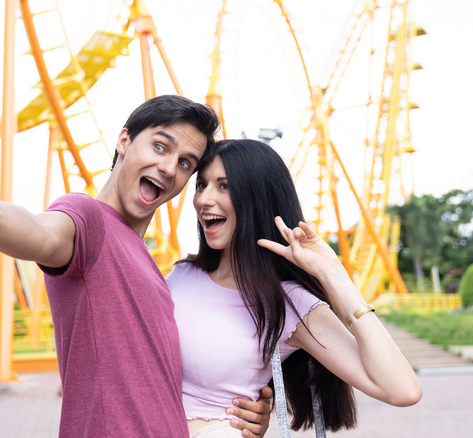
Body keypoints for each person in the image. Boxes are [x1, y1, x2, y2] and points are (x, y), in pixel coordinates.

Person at [0, 95, 271, 438]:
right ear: (124, 140)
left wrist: (240, 410)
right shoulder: (89, 220)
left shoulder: (153, 268)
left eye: (185, 163)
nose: (169, 168)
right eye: (159, 147)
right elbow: (42, 232)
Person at [167, 138, 422, 437]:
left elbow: (402, 390)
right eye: (201, 185)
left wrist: (333, 273)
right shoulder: (180, 276)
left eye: (224, 186)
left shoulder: (287, 303)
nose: (203, 199)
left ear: (258, 198)